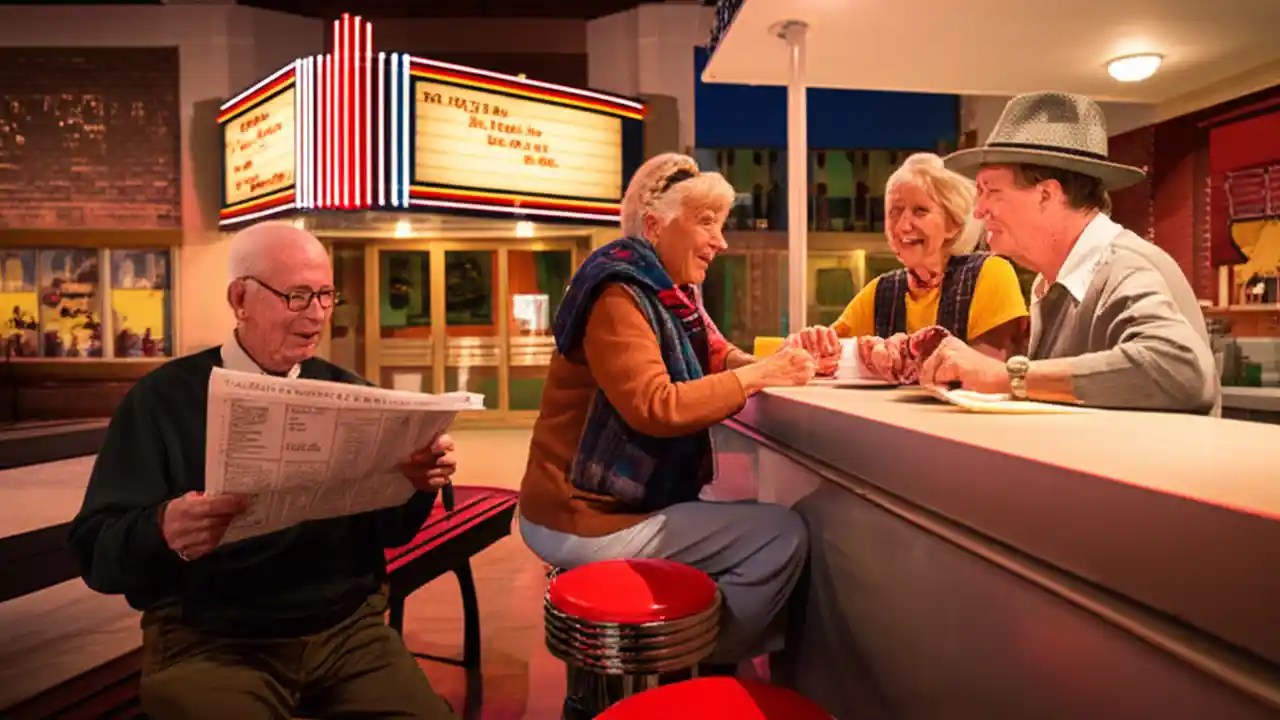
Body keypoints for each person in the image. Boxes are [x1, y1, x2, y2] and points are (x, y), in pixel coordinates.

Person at [67, 222, 459, 719]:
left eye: (325, 295)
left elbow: (390, 533)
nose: (316, 315)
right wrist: (161, 528)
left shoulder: (348, 391)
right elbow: (95, 552)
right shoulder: (162, 400)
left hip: (346, 634)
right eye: (297, 296)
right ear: (240, 298)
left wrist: (416, 483)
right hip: (212, 643)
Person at [517, 152, 816, 670]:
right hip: (582, 517)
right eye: (706, 223)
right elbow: (655, 406)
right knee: (780, 535)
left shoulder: (673, 296)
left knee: (754, 531)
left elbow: (718, 354)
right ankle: (694, 666)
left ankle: (688, 653)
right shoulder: (619, 292)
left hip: (606, 507)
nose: (720, 241)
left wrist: (782, 361)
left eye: (721, 225)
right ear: (655, 226)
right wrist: (761, 375)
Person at [922, 90, 1219, 415]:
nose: (979, 211)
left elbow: (1182, 371)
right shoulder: (1050, 282)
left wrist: (1007, 377)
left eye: (991, 191)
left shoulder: (1124, 267)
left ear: (1047, 195)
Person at [787, 152, 1029, 379]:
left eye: (920, 211)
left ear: (953, 224)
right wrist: (813, 344)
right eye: (895, 212)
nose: (903, 226)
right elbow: (821, 357)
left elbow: (986, 371)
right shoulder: (881, 291)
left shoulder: (990, 273)